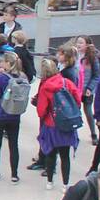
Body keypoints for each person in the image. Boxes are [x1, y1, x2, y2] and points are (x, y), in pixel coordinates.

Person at [37, 56, 83, 192]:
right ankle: (65, 184)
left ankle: (50, 181)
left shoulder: (45, 86)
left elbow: (41, 110)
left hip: (51, 125)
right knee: (65, 156)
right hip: (67, 124)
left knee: (51, 154)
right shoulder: (66, 82)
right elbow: (77, 100)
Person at [0, 54, 26, 183]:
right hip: (14, 115)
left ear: (8, 63)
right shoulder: (22, 77)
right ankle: (14, 174)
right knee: (13, 144)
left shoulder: (1, 78)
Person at [80, 39, 100, 146]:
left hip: (87, 90)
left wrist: (90, 88)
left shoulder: (92, 58)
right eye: (77, 42)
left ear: (87, 45)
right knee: (74, 112)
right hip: (75, 90)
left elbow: (96, 76)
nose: (78, 45)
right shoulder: (74, 55)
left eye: (81, 43)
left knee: (88, 111)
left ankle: (93, 134)